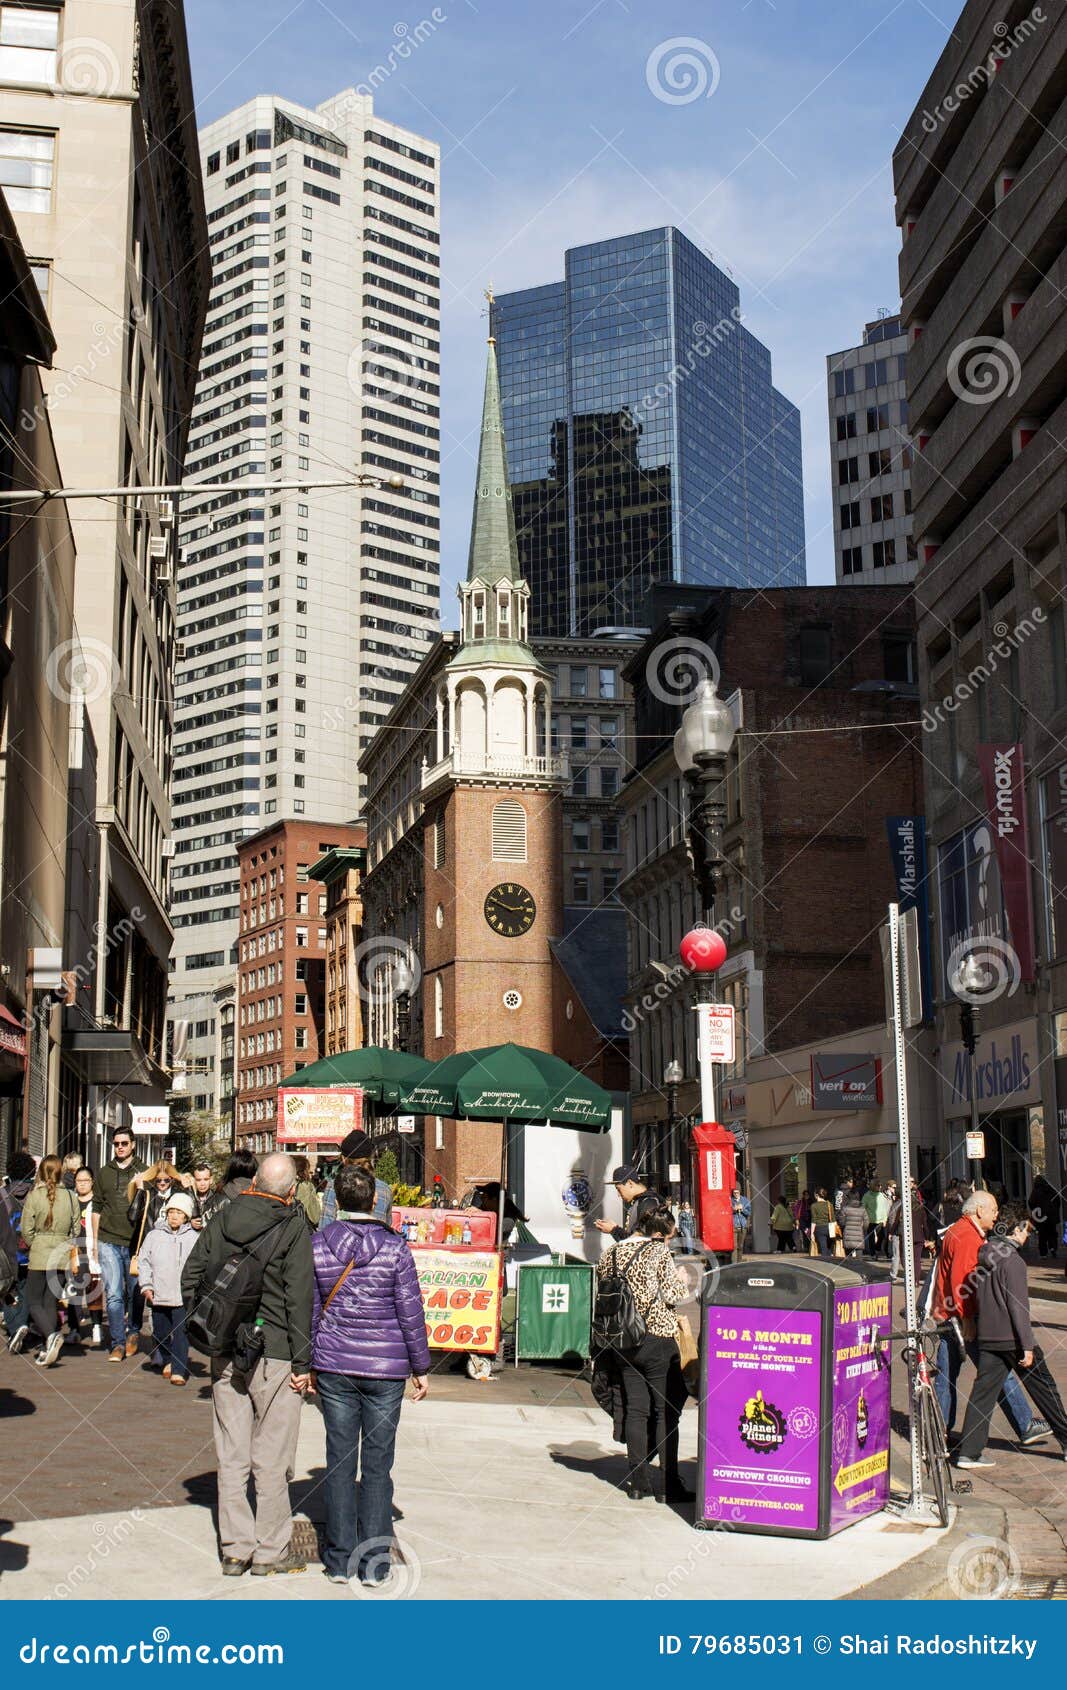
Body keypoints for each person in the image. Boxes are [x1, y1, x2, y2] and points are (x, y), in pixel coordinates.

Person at [182, 1151, 314, 1577]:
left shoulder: (223, 1214)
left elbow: (192, 1274)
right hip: (275, 1350)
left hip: (225, 1348)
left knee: (232, 1452)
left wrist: (207, 1322)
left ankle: (235, 1550)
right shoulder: (293, 1226)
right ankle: (270, 1551)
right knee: (273, 1457)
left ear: (254, 1180)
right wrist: (303, 1361)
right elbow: (299, 1299)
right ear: (291, 1191)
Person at [311, 1163, 430, 1587]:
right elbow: (410, 1311)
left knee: (339, 1462)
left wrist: (308, 1362)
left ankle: (339, 1559)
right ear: (375, 1201)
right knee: (378, 1465)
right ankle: (375, 1562)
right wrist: (420, 1366)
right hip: (385, 1368)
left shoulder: (320, 1243)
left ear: (338, 1202)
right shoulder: (396, 1248)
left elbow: (310, 1309)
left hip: (334, 1365)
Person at [956, 1201, 1067, 1469]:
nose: (1028, 1234)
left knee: (983, 1394)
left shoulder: (984, 1255)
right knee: (1044, 1389)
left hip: (989, 1337)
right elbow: (1018, 1307)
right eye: (1026, 1229)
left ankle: (968, 1452)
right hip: (1013, 1339)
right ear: (1015, 1229)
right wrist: (1027, 1345)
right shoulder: (1013, 1261)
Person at [932, 1189, 1046, 1449]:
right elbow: (962, 1283)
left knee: (949, 1376)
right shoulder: (965, 1236)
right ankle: (1024, 1424)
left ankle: (940, 1433)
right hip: (961, 1319)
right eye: (993, 1210)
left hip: (952, 1316)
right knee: (994, 1371)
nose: (996, 1215)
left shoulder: (962, 1232)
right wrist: (968, 1319)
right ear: (979, 1210)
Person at [595, 1205, 692, 1502]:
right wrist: (683, 1280)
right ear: (659, 1234)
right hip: (656, 1337)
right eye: (668, 1238)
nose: (668, 1244)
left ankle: (638, 1483)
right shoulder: (657, 1252)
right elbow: (674, 1294)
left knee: (636, 1410)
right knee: (666, 1411)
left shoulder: (609, 1254)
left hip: (622, 1341)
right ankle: (668, 1485)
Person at [11, 1155, 79, 1367]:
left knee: (32, 1301)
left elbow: (26, 1229)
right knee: (50, 1301)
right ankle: (49, 1345)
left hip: (40, 1252)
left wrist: (36, 1243)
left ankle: (50, 1335)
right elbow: (76, 1228)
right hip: (61, 1253)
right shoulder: (70, 1197)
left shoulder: (35, 1196)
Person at [96, 1128, 147, 1362]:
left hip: (136, 1243)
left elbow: (153, 1206)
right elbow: (96, 1208)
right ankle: (117, 1343)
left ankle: (133, 1332)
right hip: (108, 1240)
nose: (120, 1147)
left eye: (124, 1143)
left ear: (133, 1144)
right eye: (116, 1143)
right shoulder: (104, 1173)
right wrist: (94, 1243)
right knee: (114, 1294)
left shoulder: (144, 1171)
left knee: (136, 1292)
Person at [138, 1190, 198, 1386]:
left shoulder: (194, 1238)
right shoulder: (154, 1236)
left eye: (179, 1213)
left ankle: (179, 1370)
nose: (174, 1216)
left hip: (182, 1297)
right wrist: (146, 1285)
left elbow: (200, 1265)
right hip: (158, 1294)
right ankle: (167, 1358)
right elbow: (143, 1262)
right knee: (160, 1332)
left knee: (181, 1333)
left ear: (186, 1216)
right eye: (171, 1211)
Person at [66, 1165, 104, 1347]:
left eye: (85, 1180)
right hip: (74, 1250)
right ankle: (74, 1329)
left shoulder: (97, 1202)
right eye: (78, 1181)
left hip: (92, 1249)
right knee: (73, 1290)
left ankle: (97, 1325)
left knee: (94, 1289)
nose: (82, 1184)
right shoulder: (70, 1200)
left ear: (92, 1182)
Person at [320, 1132, 391, 1228]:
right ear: (370, 1158)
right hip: (375, 1241)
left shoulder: (333, 1187)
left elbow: (325, 1227)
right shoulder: (384, 1189)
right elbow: (386, 1228)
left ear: (344, 1159)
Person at [2, 1151, 37, 1345]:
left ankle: (16, 1327)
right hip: (32, 1252)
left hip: (8, 1254)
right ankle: (23, 1325)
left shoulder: (2, 1194)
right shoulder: (36, 1193)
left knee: (7, 1291)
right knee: (27, 1290)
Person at [127, 1160, 192, 1244]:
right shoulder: (147, 1194)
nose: (162, 1183)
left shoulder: (179, 1195)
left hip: (173, 1243)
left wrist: (189, 1189)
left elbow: (195, 1218)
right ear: (154, 1179)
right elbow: (132, 1217)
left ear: (171, 1179)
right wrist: (139, 1190)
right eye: (158, 1180)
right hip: (150, 1244)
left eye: (166, 1180)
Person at [594, 1165, 662, 1242]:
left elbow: (640, 1241)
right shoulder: (642, 1202)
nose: (618, 1195)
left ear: (630, 1183)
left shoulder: (649, 1203)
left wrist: (614, 1230)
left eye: (619, 1189)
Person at [1028, 1174, 1061, 1259]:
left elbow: (1031, 1202)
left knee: (1042, 1235)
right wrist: (1054, 1210)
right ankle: (1053, 1248)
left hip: (1041, 1216)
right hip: (1051, 1216)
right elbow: (1058, 1201)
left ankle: (1043, 1254)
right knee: (1052, 1233)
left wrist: (1035, 1210)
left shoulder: (1036, 1191)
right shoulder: (1051, 1189)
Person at [190, 1163, 225, 1230]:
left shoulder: (220, 1200)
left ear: (211, 1180)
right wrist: (189, 1222)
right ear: (194, 1180)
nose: (202, 1184)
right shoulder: (188, 1199)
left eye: (206, 1179)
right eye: (198, 1180)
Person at [293, 1156, 322, 1228]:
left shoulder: (279, 1183)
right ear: (304, 1170)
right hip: (301, 1229)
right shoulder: (306, 1186)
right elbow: (315, 1217)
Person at [862, 1181, 888, 1256]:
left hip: (880, 1220)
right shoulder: (867, 1195)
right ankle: (873, 1254)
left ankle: (877, 1248)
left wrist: (885, 1219)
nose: (880, 1187)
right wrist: (865, 1217)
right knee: (871, 1238)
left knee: (882, 1236)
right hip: (870, 1220)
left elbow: (884, 1208)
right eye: (878, 1186)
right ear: (873, 1186)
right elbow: (863, 1207)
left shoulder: (881, 1195)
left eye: (880, 1185)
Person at [840, 1187, 867, 1258]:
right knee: (859, 1260)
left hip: (848, 1236)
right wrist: (863, 1230)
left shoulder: (845, 1209)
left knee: (847, 1260)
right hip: (859, 1235)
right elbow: (866, 1223)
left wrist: (845, 1226)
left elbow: (841, 1222)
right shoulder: (862, 1209)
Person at [810, 1187, 835, 1258]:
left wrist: (812, 1233)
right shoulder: (829, 1204)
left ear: (817, 1195)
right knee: (829, 1249)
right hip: (830, 1228)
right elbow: (833, 1219)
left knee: (823, 1249)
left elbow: (814, 1220)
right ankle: (831, 1261)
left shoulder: (814, 1206)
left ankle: (825, 1264)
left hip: (819, 1228)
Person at [730, 1188, 751, 1262]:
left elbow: (749, 1213)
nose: (735, 1194)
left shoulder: (745, 1200)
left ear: (740, 1192)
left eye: (737, 1193)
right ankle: (734, 1263)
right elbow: (726, 1211)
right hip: (734, 1226)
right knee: (734, 1246)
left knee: (740, 1246)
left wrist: (742, 1209)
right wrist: (733, 1210)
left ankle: (739, 1263)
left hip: (743, 1226)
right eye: (734, 1193)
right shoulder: (730, 1200)